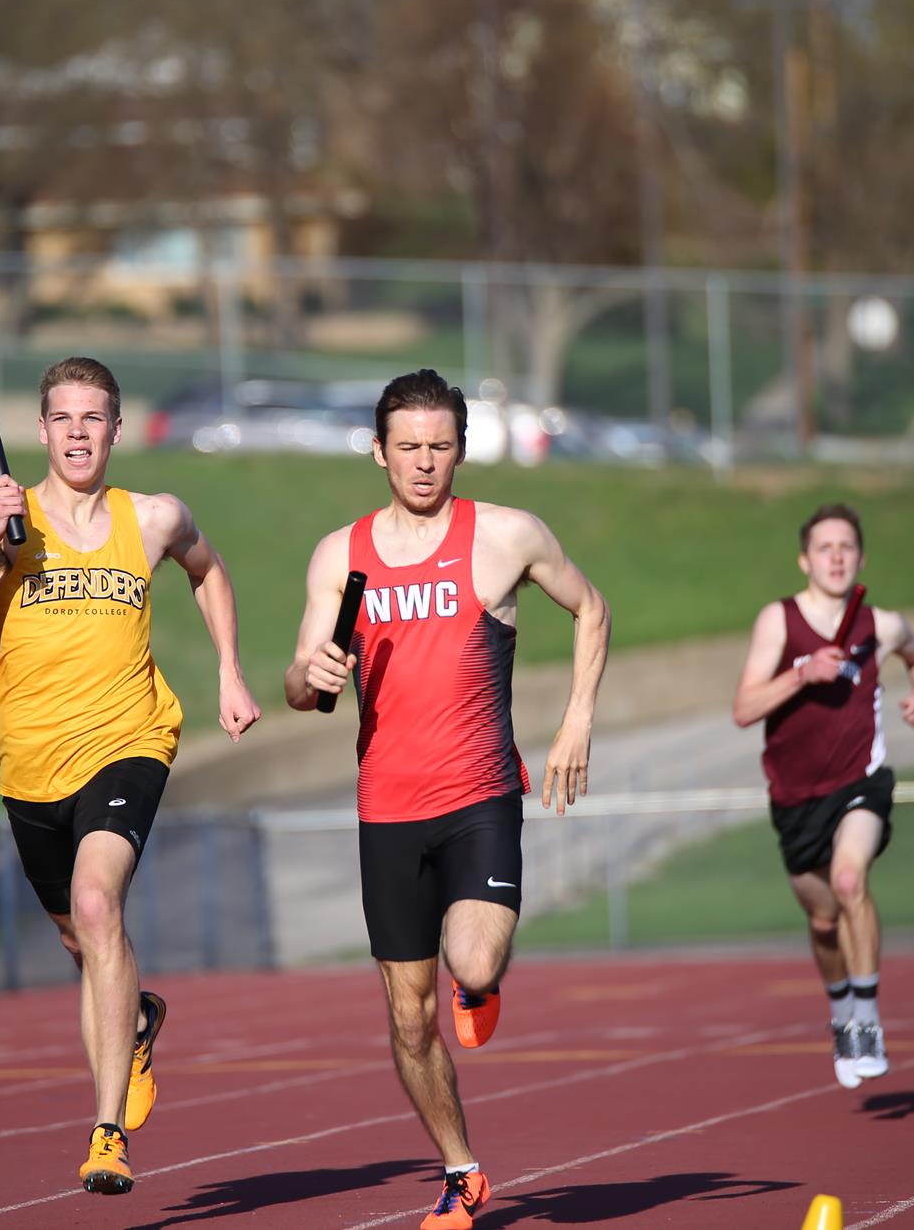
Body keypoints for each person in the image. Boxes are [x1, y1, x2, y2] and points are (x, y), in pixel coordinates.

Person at [284, 369, 610, 1230]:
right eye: (408, 447)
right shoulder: (339, 555)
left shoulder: (506, 536)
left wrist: (576, 718)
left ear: (460, 449)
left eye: (439, 446)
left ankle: (482, 981)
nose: (424, 462)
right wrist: (310, 674)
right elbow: (301, 685)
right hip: (386, 810)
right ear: (379, 451)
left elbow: (591, 608)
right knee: (407, 1015)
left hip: (479, 798)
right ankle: (462, 1170)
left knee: (472, 962)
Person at [0, 357, 260, 1197]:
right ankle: (136, 1017)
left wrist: (228, 669)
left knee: (97, 904)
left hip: (129, 740)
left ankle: (107, 1132)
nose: (78, 433)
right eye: (64, 418)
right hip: (30, 767)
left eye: (94, 418)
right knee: (83, 940)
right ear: (41, 430)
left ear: (116, 428)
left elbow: (209, 569)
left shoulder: (152, 517)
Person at [731, 503, 914, 1089]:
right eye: (825, 548)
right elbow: (743, 709)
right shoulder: (779, 620)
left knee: (850, 881)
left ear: (861, 558)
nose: (837, 557)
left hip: (860, 783)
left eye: (847, 546)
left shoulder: (882, 625)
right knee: (824, 922)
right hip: (796, 798)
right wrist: (802, 673)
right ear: (805, 560)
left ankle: (867, 1021)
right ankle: (842, 1011)